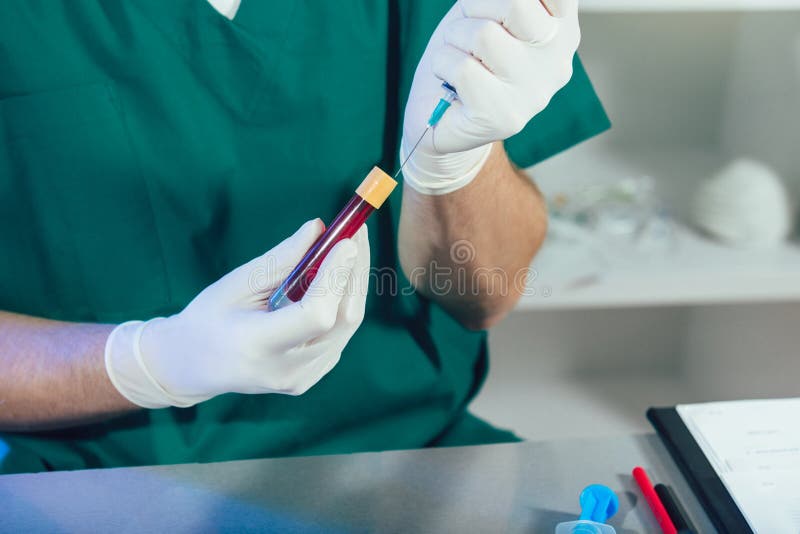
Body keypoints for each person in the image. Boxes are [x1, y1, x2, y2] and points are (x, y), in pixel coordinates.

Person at [0, 0, 609, 474]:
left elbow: (487, 296)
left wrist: (457, 166)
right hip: (92, 478)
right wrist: (148, 363)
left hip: (404, 458)